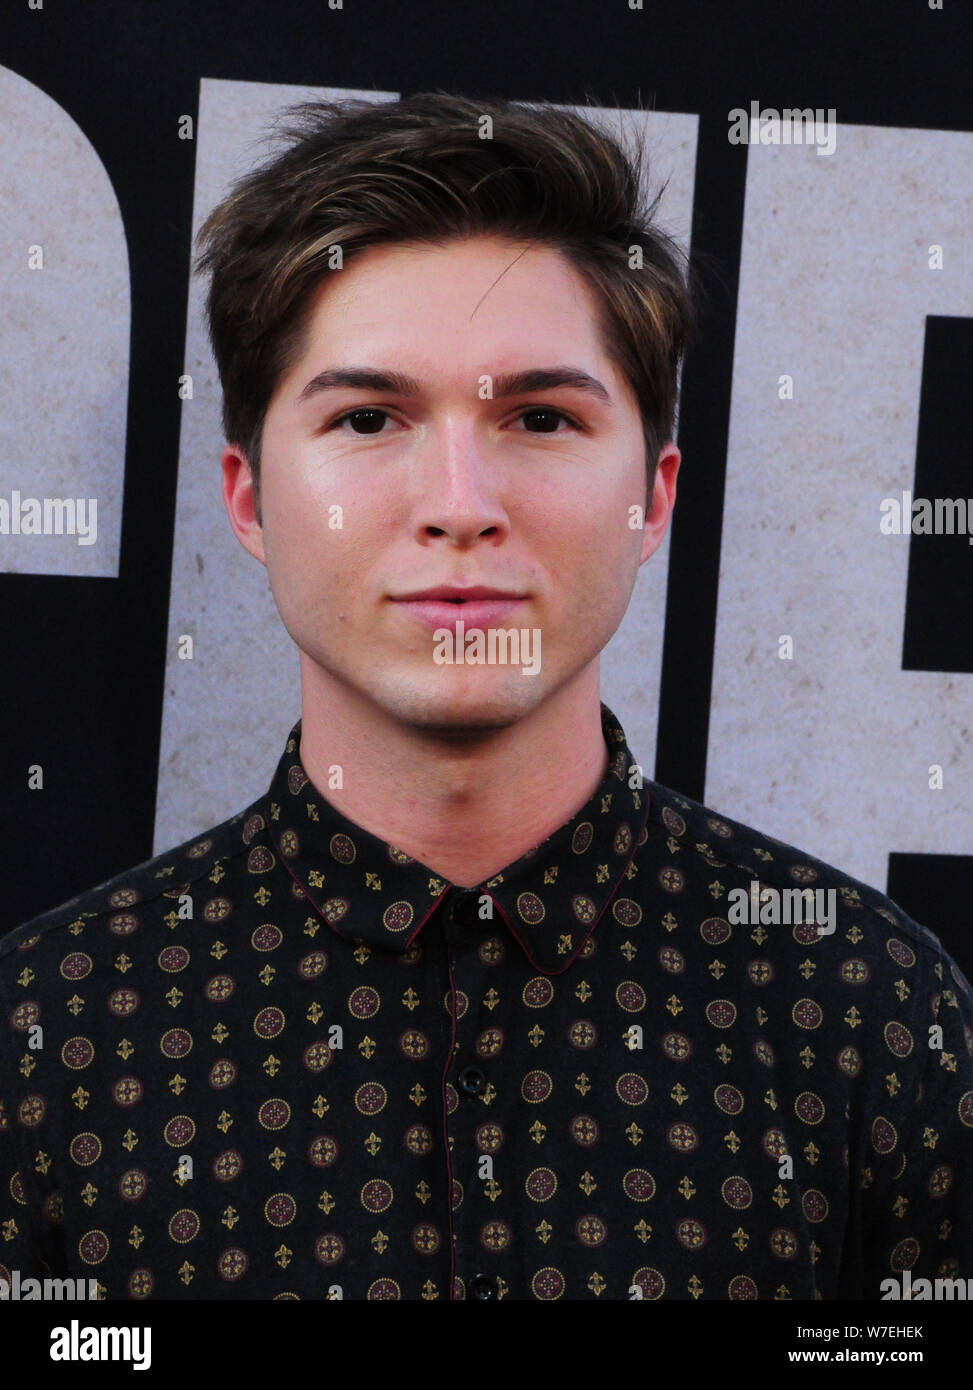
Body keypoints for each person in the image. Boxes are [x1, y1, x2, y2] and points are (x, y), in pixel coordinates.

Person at [1, 91, 970, 1303]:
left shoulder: (868, 1010)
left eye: (541, 418)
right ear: (248, 499)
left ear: (652, 496)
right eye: (368, 417)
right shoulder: (53, 1033)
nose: (460, 502)